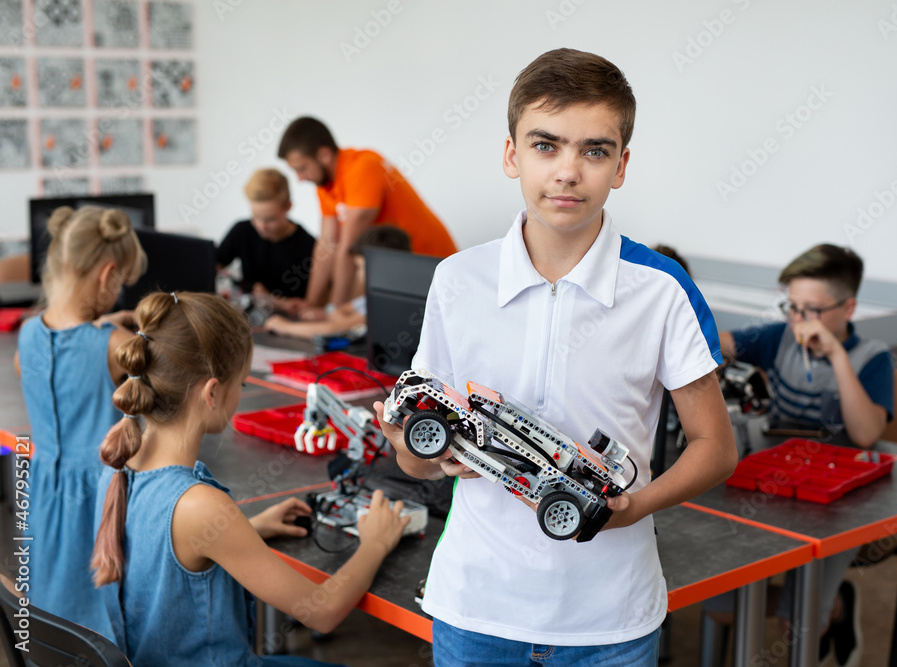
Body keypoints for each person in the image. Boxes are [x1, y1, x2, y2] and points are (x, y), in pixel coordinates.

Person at [373, 48, 737, 666]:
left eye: (594, 150)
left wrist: (632, 509)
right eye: (546, 145)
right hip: (474, 607)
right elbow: (415, 458)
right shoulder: (459, 280)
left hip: (608, 621)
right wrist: (417, 449)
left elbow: (716, 446)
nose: (568, 171)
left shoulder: (661, 288)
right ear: (512, 154)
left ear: (620, 166)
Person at [89, 291, 410, 666]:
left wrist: (246, 530)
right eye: (240, 383)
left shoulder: (118, 461)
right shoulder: (198, 505)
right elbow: (323, 613)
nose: (241, 394)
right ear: (212, 392)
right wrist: (375, 542)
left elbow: (163, 551)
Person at [714, 243, 894, 667]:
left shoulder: (873, 358)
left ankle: (828, 607)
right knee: (720, 606)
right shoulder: (779, 338)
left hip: (837, 501)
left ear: (847, 307)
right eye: (791, 307)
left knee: (799, 626)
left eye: (811, 310)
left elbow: (866, 433)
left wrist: (834, 354)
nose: (798, 320)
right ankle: (811, 601)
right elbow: (717, 342)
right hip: (774, 487)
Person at [15, 206, 146, 635]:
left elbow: (46, 357)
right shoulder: (114, 346)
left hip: (44, 492)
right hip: (98, 501)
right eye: (122, 282)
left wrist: (102, 326)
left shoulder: (28, 335)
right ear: (108, 276)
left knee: (56, 609)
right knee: (101, 618)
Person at [277, 116, 457, 308]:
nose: (299, 178)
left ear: (324, 155)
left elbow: (347, 247)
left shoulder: (363, 168)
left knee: (349, 315)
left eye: (302, 168)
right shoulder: (325, 185)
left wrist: (333, 313)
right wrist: (311, 305)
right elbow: (327, 246)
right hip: (400, 272)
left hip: (435, 270)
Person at [264, 225, 411, 339]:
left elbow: (332, 330)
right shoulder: (376, 296)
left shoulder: (388, 305)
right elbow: (343, 310)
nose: (358, 273)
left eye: (360, 267)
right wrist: (335, 317)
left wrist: (285, 327)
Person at [216, 168, 315, 301]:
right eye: (256, 216)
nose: (262, 226)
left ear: (288, 206)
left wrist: (275, 301)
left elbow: (310, 303)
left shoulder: (309, 245)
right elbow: (215, 264)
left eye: (270, 219)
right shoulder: (242, 231)